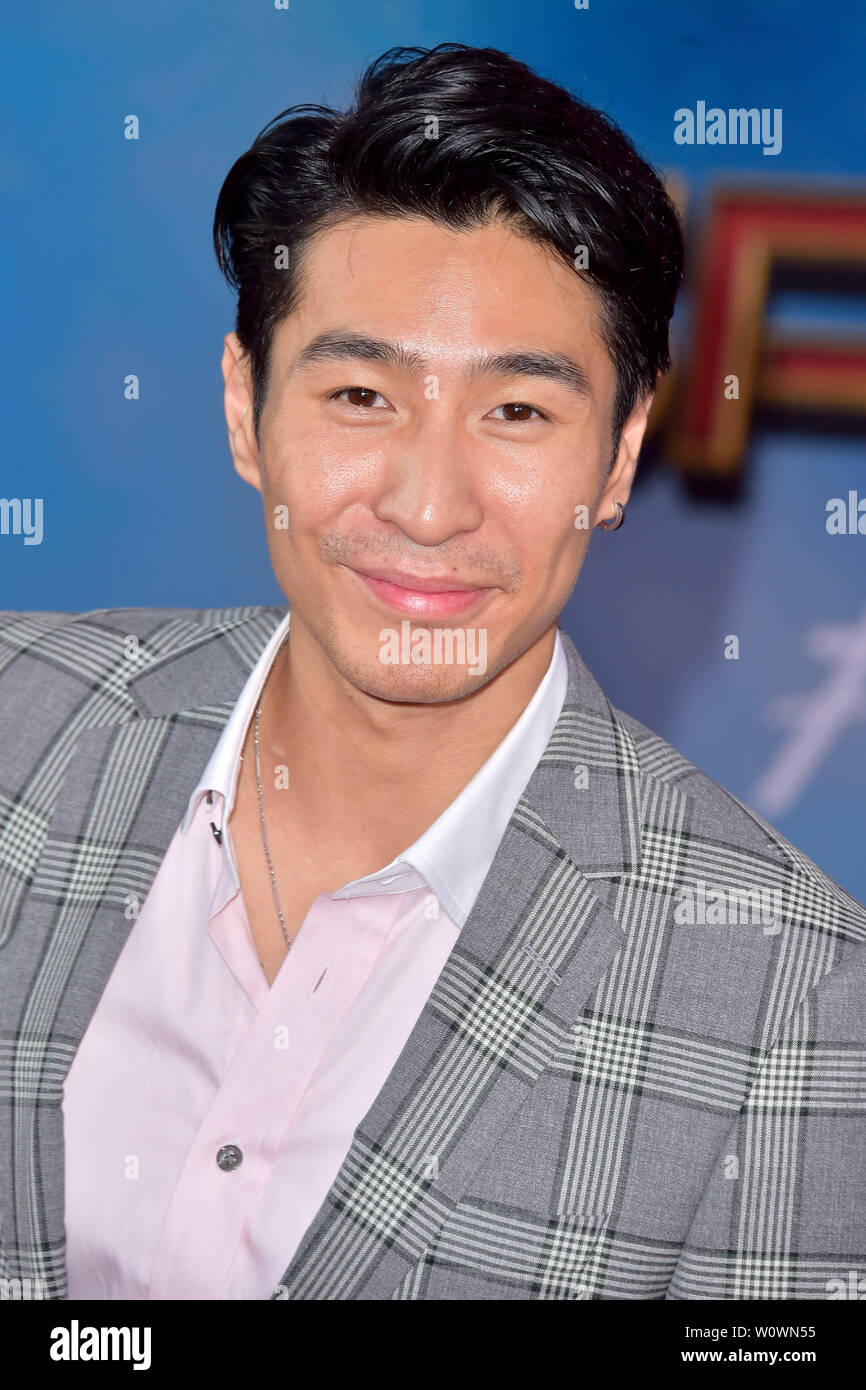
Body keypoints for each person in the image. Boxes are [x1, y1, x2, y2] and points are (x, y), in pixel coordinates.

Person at [0, 42, 863, 1302]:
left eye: (516, 412)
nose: (426, 503)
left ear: (618, 456)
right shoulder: (22, 721)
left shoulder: (797, 1004)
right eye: (359, 393)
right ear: (245, 409)